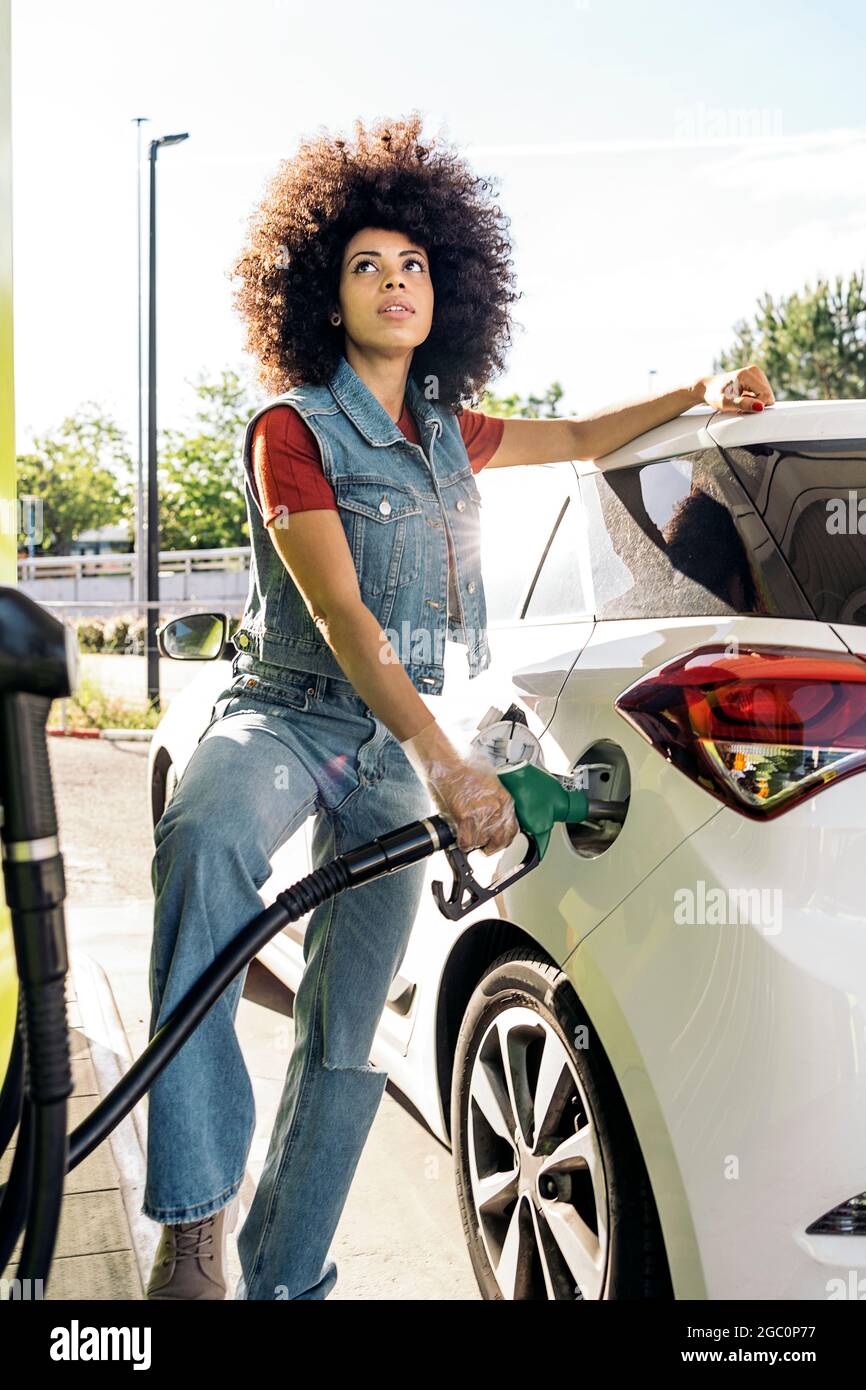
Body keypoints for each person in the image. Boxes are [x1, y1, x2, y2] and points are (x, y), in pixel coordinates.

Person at [141, 112, 775, 1301]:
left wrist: (704, 388)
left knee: (344, 1041)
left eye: (414, 264)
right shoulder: (291, 429)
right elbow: (342, 622)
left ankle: (280, 1283)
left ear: (446, 292)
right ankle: (192, 1223)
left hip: (393, 741)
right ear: (326, 297)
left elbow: (586, 433)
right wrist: (444, 760)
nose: (395, 281)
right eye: (366, 264)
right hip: (289, 712)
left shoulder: (452, 437)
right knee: (208, 837)